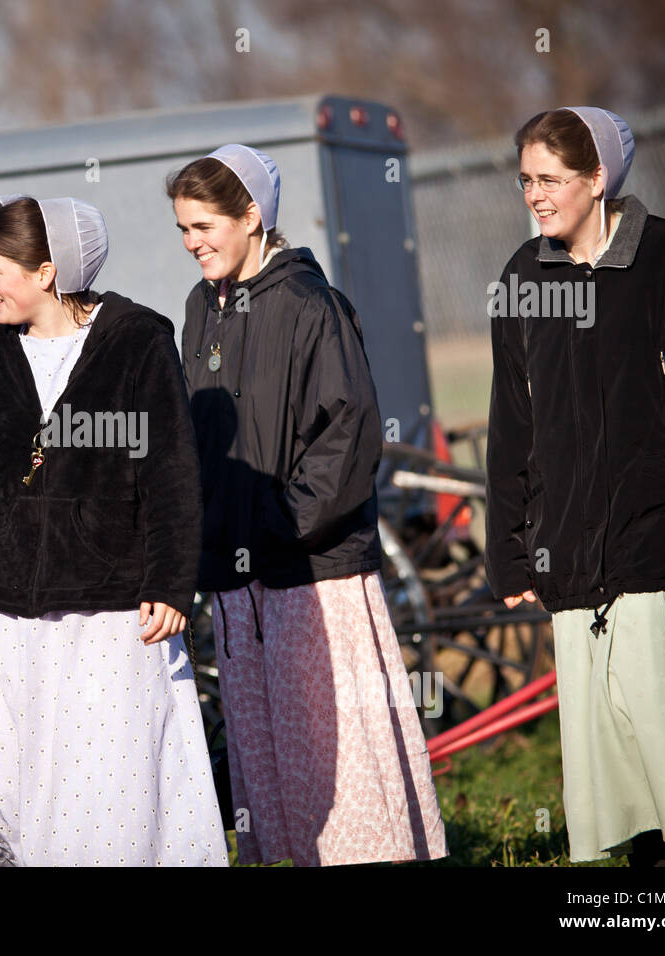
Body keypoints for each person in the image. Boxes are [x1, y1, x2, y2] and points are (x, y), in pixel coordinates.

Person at [0, 197, 227, 866]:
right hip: (7, 616)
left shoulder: (138, 341)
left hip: (108, 616)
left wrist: (170, 579)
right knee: (14, 797)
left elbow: (170, 471)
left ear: (46, 271)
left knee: (104, 794)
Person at [166, 144, 448, 866]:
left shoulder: (308, 304)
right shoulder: (201, 310)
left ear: (252, 215)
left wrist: (274, 527)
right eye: (184, 230)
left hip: (311, 578)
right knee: (276, 780)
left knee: (340, 765)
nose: (194, 243)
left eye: (205, 226)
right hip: (238, 589)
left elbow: (348, 435)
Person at [486, 107, 665, 866]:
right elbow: (513, 425)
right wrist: (510, 550)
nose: (534, 195)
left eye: (551, 179)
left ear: (597, 178)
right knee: (630, 808)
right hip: (572, 572)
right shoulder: (524, 277)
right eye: (526, 179)